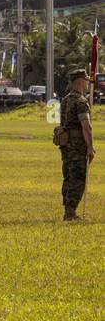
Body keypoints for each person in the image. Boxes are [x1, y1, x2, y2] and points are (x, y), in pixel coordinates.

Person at [57, 67, 95, 220]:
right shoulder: (81, 101)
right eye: (86, 81)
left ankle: (68, 210)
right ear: (80, 82)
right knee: (78, 177)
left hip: (66, 145)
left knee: (68, 176)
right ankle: (71, 213)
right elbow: (86, 126)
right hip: (77, 145)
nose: (87, 84)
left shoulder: (65, 100)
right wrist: (90, 147)